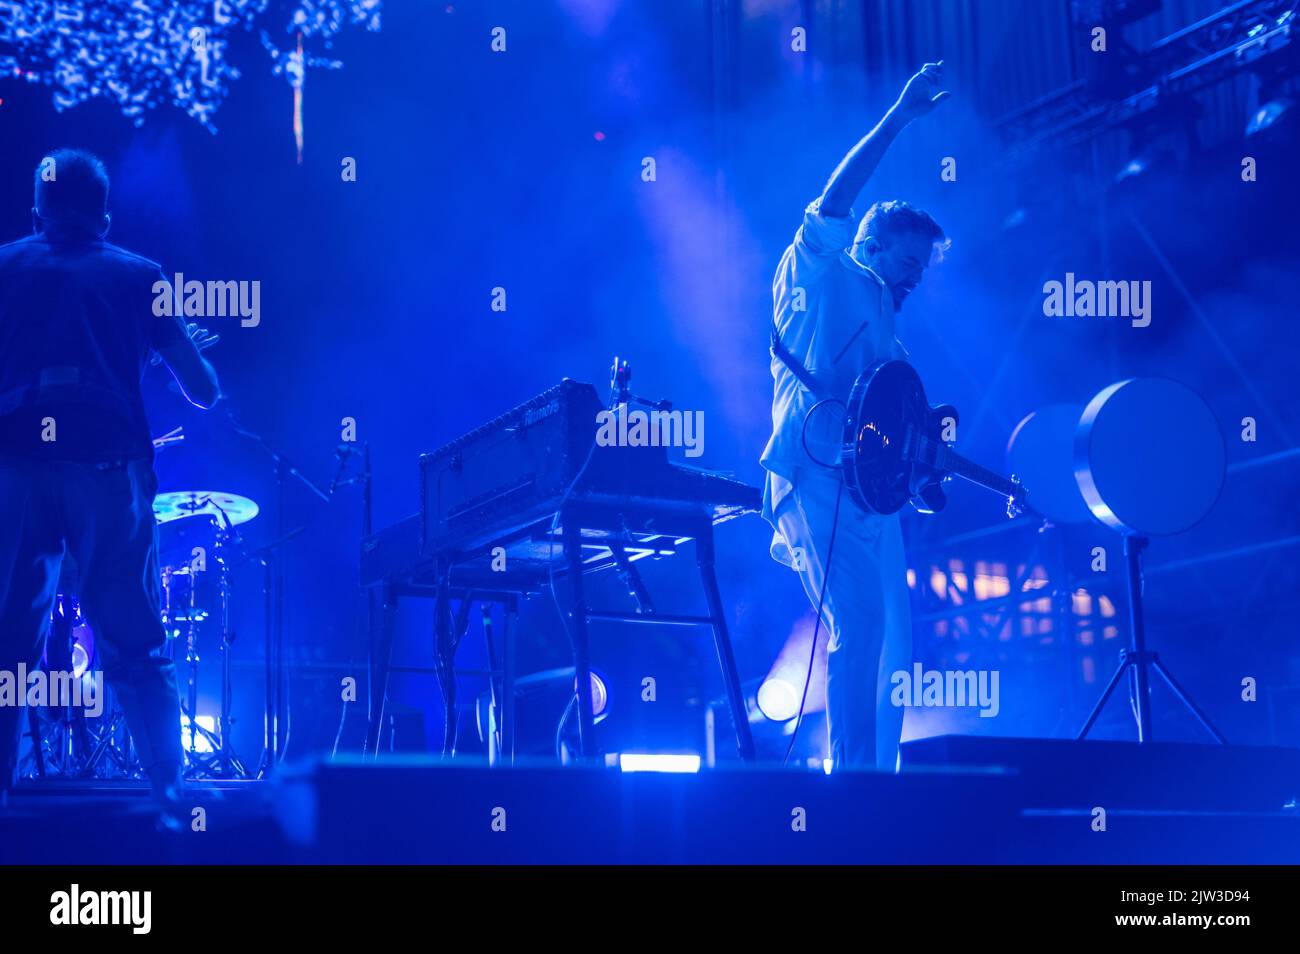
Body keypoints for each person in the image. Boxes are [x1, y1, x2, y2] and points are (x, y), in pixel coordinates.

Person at [0, 148, 220, 816]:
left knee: (8, 646)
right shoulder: (141, 275)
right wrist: (160, 346)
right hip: (107, 469)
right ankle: (171, 794)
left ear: (37, 209)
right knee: (134, 635)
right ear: (105, 212)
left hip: (12, 471)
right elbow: (204, 392)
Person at [761, 64, 952, 771]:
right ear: (867, 245)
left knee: (893, 645)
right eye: (907, 260)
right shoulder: (821, 271)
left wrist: (929, 472)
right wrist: (899, 118)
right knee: (861, 624)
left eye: (922, 268)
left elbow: (905, 438)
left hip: (869, 501)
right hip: (811, 477)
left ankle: (880, 779)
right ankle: (854, 792)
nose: (914, 277)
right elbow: (835, 197)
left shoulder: (891, 340)